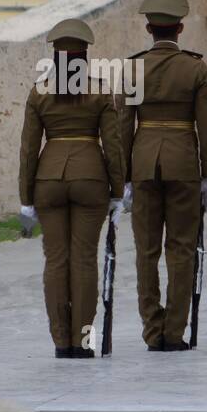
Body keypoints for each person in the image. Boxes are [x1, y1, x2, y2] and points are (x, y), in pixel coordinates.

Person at [19, 19, 124, 358]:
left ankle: (61, 342)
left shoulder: (40, 92)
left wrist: (25, 197)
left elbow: (28, 149)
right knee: (84, 260)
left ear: (54, 57)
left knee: (55, 260)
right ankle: (83, 341)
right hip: (91, 181)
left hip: (48, 182)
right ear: (86, 57)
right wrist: (118, 192)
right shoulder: (99, 92)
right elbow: (113, 146)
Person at [121, 0, 207, 351]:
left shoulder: (132, 68)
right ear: (180, 29)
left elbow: (122, 127)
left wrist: (124, 177)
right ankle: (174, 332)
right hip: (183, 167)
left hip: (144, 165)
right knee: (181, 249)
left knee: (146, 250)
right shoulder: (196, 69)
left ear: (149, 30)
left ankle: (152, 330)